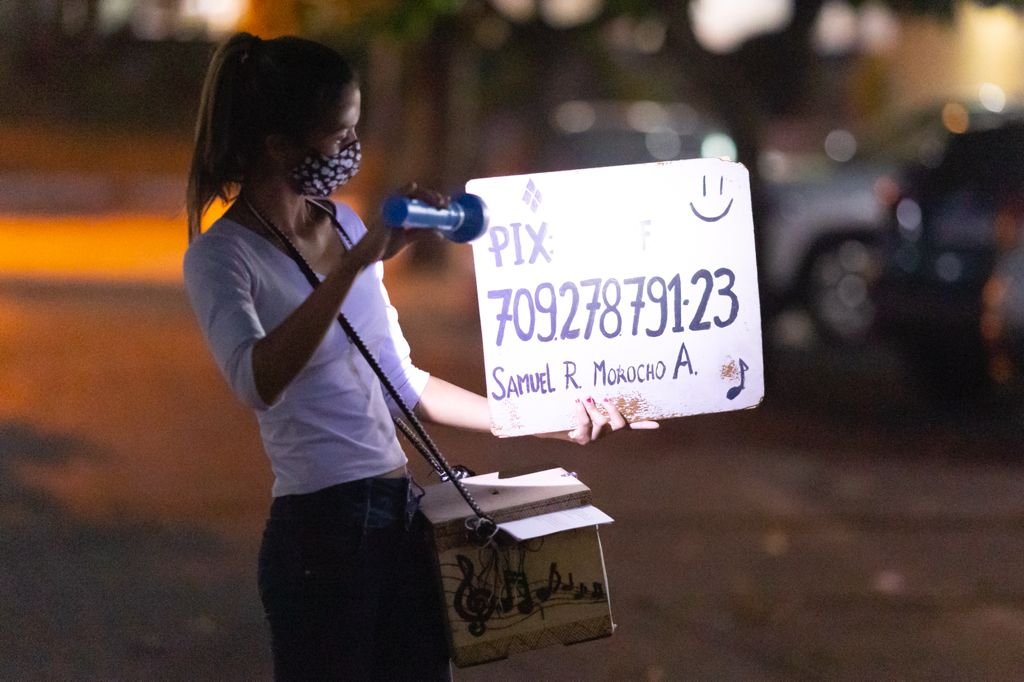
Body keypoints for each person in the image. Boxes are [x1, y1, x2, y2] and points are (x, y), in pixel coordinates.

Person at [182, 31, 657, 681]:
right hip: (319, 536)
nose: (351, 149)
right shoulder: (223, 255)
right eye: (337, 134)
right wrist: (354, 266)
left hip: (400, 516)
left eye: (355, 128)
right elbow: (255, 378)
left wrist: (544, 416)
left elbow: (401, 383)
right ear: (277, 145)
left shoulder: (345, 223)